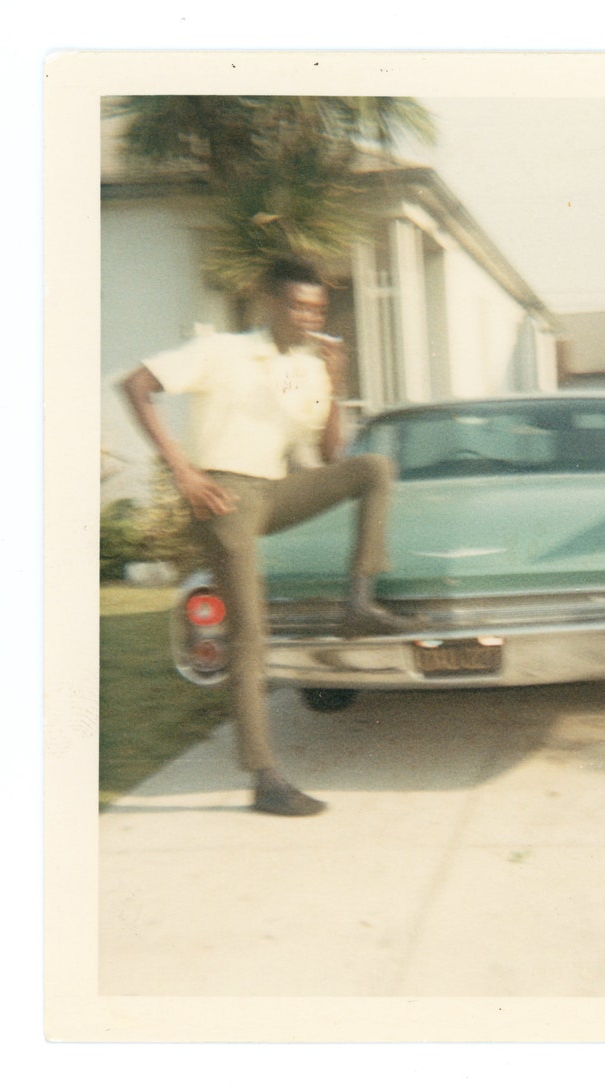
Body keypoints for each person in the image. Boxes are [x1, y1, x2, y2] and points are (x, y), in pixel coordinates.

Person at [122, 256, 410, 817]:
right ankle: (265, 778)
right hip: (222, 499)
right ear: (271, 303)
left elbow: (330, 454)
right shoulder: (221, 350)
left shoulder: (301, 367)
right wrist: (184, 472)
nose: (310, 316)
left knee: (372, 468)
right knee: (251, 635)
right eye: (300, 305)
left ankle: (358, 604)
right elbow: (136, 385)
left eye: (319, 308)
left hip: (275, 491)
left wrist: (336, 378)